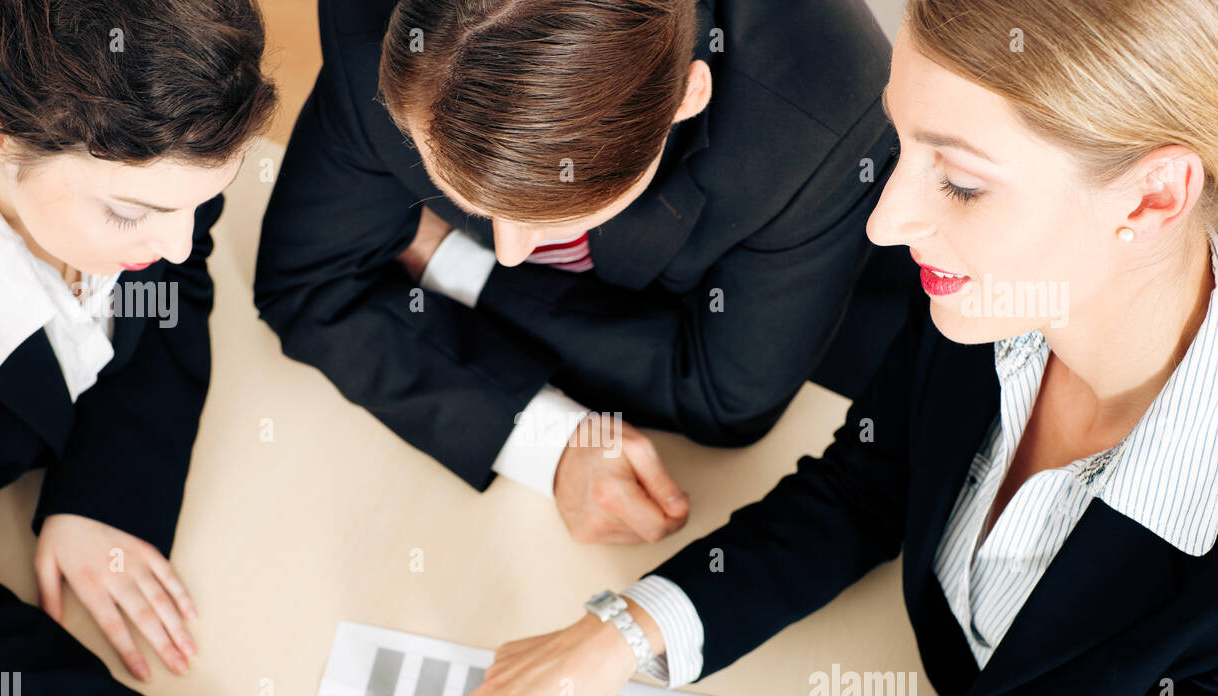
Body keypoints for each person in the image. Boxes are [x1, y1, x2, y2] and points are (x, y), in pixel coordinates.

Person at [384, 0, 1218, 696]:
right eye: (904, 145)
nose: (886, 222)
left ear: (1152, 199)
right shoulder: (998, 299)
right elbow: (866, 485)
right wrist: (616, 637)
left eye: (962, 183)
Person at [255, 0, 913, 545]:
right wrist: (550, 439)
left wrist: (446, 259)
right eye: (464, 201)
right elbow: (306, 281)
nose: (507, 252)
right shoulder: (382, 28)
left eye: (550, 216)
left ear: (688, 96)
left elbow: (723, 397)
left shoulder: (829, 108)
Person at [0, 0, 321, 696]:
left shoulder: (160, 143)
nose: (180, 245)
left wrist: (104, 490)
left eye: (200, 204)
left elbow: (170, 293)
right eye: (133, 215)